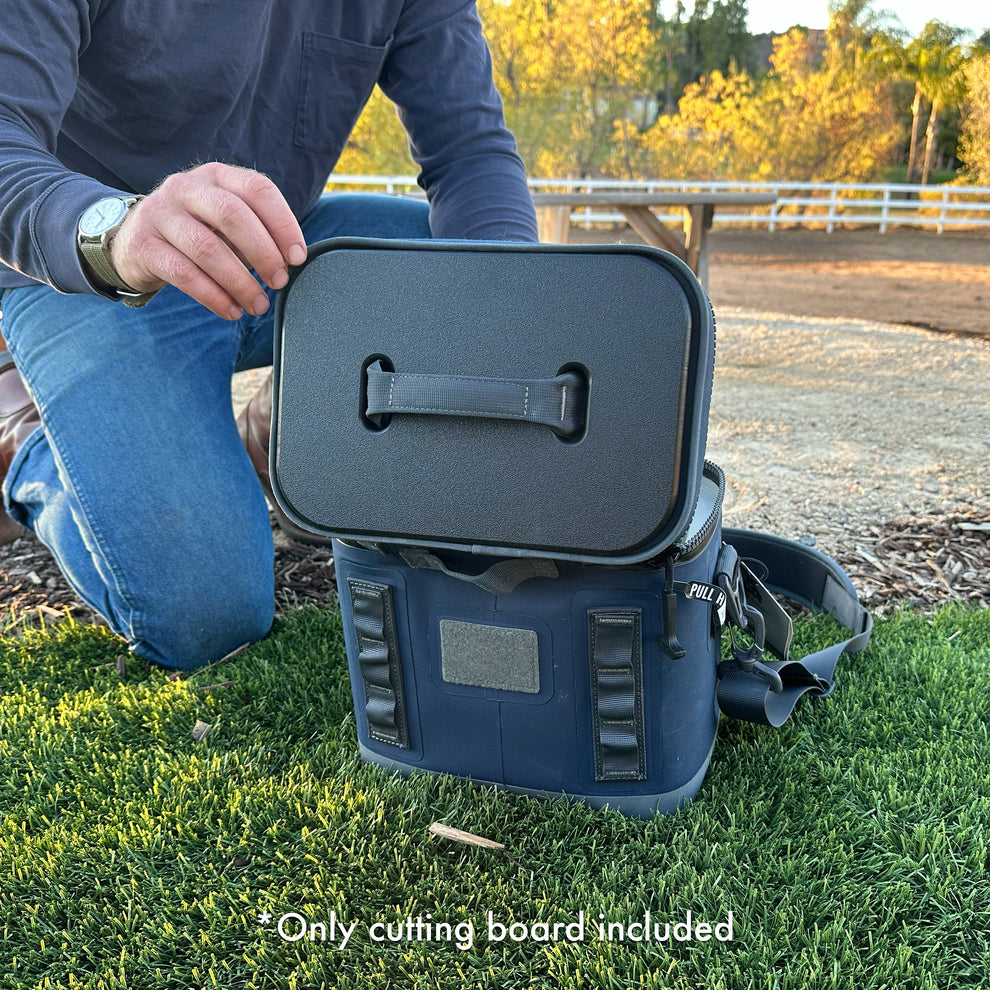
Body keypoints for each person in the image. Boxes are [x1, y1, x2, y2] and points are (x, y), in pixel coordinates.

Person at [0, 1, 538, 670]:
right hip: (89, 270)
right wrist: (116, 229)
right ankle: (28, 435)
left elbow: (469, 155)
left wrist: (517, 319)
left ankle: (284, 426)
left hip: (284, 244)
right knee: (206, 612)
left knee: (496, 274)